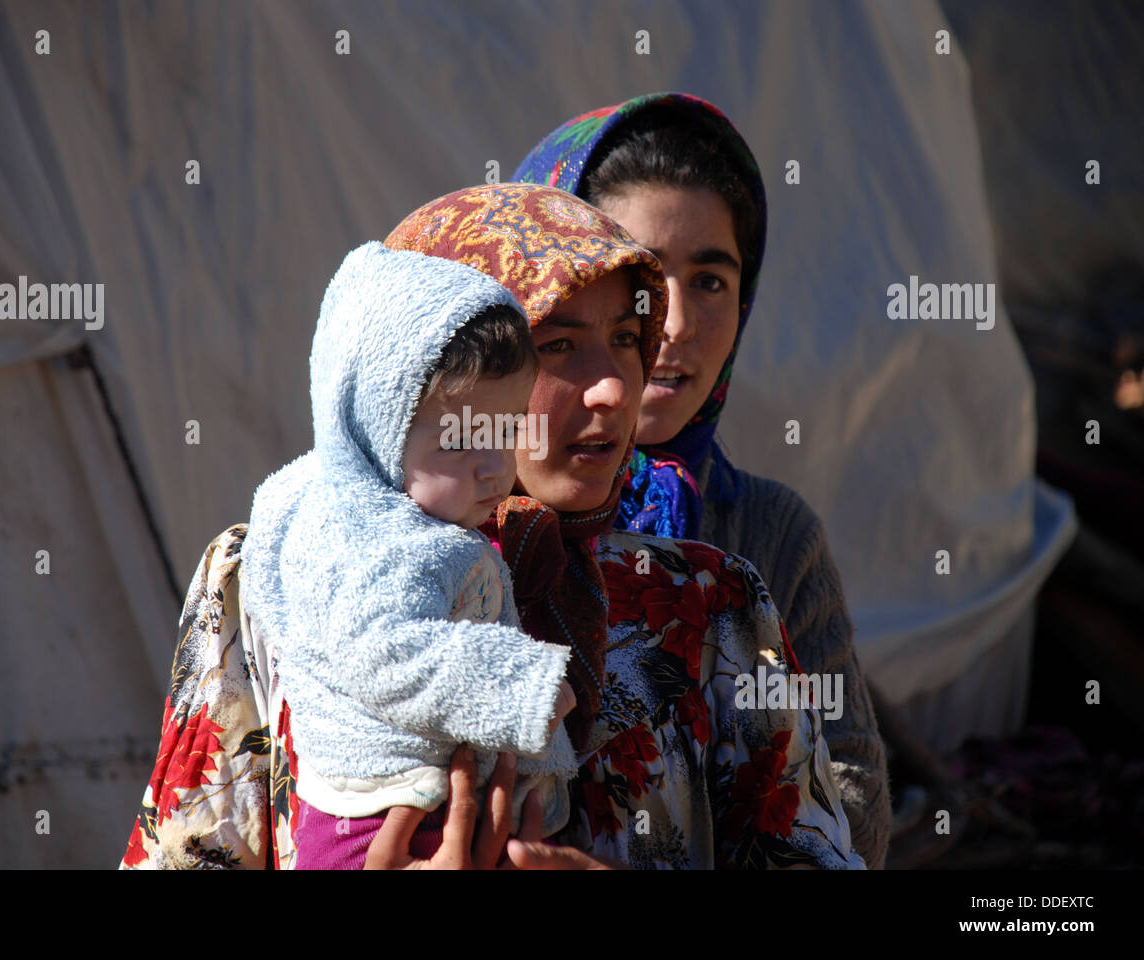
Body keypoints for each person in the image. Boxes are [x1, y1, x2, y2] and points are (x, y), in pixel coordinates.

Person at [121, 183, 864, 869]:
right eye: (557, 345)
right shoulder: (271, 578)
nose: (611, 388)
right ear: (411, 378)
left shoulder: (710, 607)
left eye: (627, 339)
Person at [513, 93, 891, 868]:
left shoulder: (767, 537)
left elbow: (853, 808)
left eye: (711, 280)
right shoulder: (447, 519)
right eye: (638, 280)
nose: (675, 323)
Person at [243, 241, 577, 870]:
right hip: (375, 824)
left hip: (437, 811)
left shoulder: (427, 527)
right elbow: (382, 648)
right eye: (459, 438)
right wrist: (523, 685)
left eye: (505, 431)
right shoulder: (355, 538)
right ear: (377, 424)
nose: (492, 468)